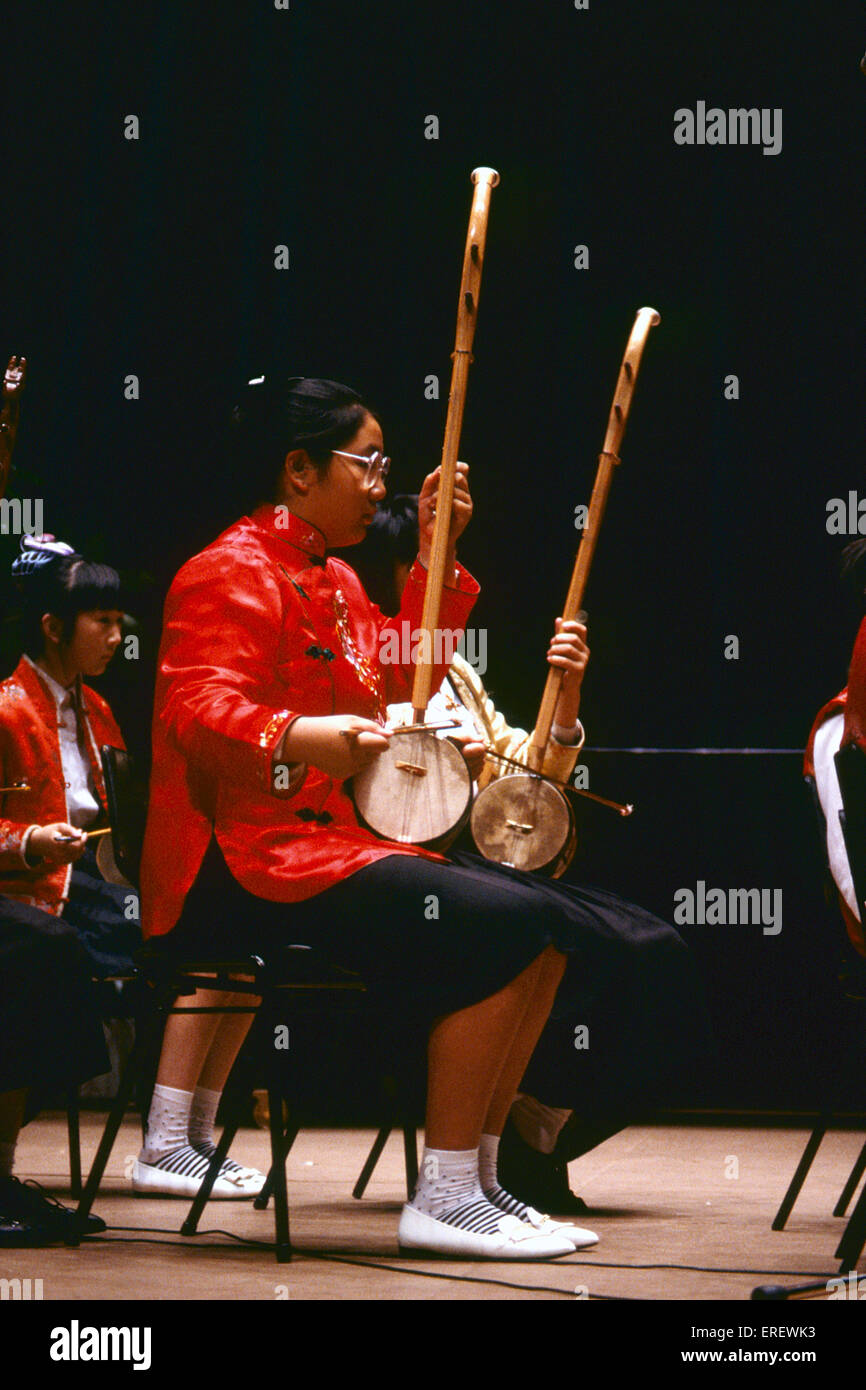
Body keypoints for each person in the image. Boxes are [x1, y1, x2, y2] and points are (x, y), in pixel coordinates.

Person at [138, 375, 608, 1258]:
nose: (382, 480)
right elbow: (192, 712)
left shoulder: (341, 580)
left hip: (325, 847)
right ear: (299, 470)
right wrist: (298, 735)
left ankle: (478, 1182)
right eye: (369, 461)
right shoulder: (225, 569)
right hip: (244, 859)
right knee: (503, 924)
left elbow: (407, 685)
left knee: (550, 925)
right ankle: (443, 1194)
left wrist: (436, 555)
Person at [347, 499, 710, 1214]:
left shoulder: (451, 669)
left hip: (490, 864)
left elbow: (527, 774)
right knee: (563, 939)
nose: (442, 585)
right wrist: (441, 764)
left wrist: (564, 699)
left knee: (656, 951)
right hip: (416, 869)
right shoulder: (362, 661)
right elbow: (370, 784)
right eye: (423, 569)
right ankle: (502, 1143)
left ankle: (539, 1121)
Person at [0, 533, 139, 1243]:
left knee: (196, 936)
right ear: (53, 627)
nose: (117, 636)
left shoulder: (102, 713)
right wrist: (27, 841)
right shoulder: (4, 709)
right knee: (45, 957)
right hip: (26, 895)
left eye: (120, 622)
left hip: (94, 887)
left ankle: (177, 1136)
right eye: (102, 622)